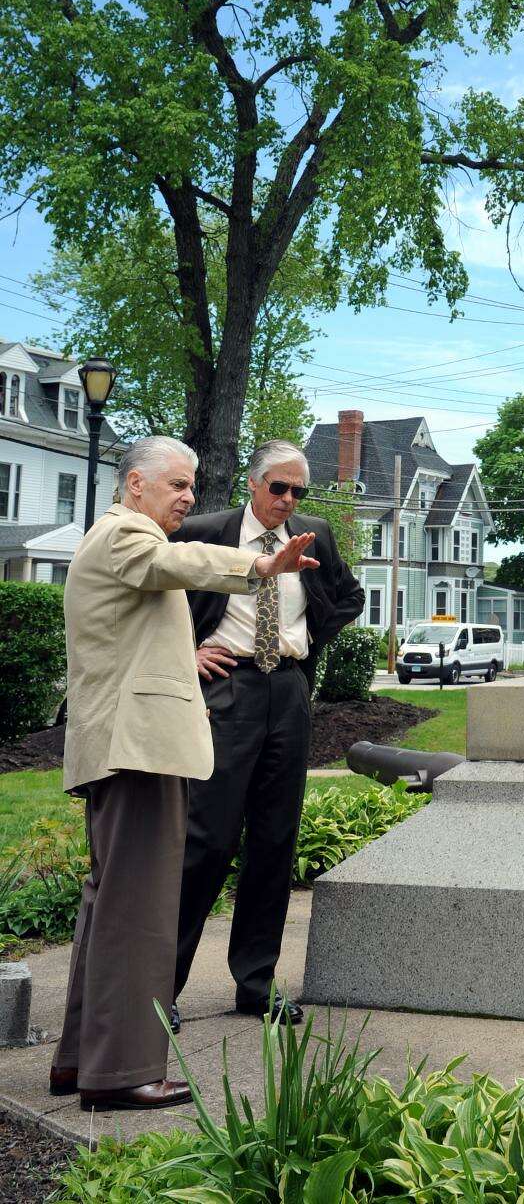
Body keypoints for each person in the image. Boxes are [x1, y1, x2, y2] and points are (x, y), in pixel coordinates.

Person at [51, 436, 317, 1111]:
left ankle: (82, 1060)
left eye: (193, 487)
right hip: (136, 751)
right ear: (135, 484)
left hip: (131, 749)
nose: (189, 497)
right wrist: (260, 566)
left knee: (111, 910)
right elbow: (180, 562)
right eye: (177, 485)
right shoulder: (123, 534)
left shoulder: (122, 539)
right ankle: (119, 1074)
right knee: (139, 914)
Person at [169, 440, 364, 1027]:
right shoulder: (203, 532)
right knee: (207, 838)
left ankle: (255, 985)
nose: (288, 500)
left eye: (298, 491)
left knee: (275, 840)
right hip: (226, 688)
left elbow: (347, 597)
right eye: (278, 488)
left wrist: (305, 647)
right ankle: (159, 988)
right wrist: (185, 651)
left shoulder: (314, 535)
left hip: (287, 692)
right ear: (253, 485)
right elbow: (150, 599)